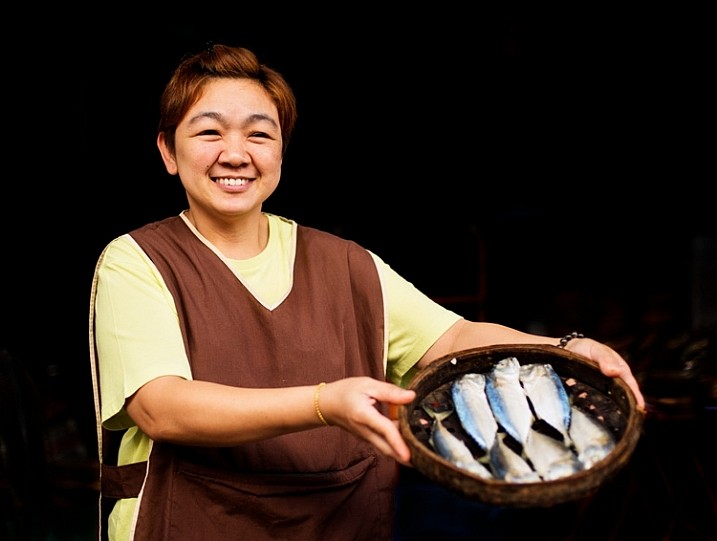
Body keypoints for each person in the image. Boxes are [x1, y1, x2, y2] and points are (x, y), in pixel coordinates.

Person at [88, 43, 646, 541]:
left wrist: (563, 349)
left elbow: (452, 336)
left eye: (259, 133)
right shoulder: (138, 260)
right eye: (209, 132)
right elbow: (160, 408)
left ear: (281, 151)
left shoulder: (345, 263)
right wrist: (323, 403)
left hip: (340, 521)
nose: (236, 154)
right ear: (167, 150)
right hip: (192, 522)